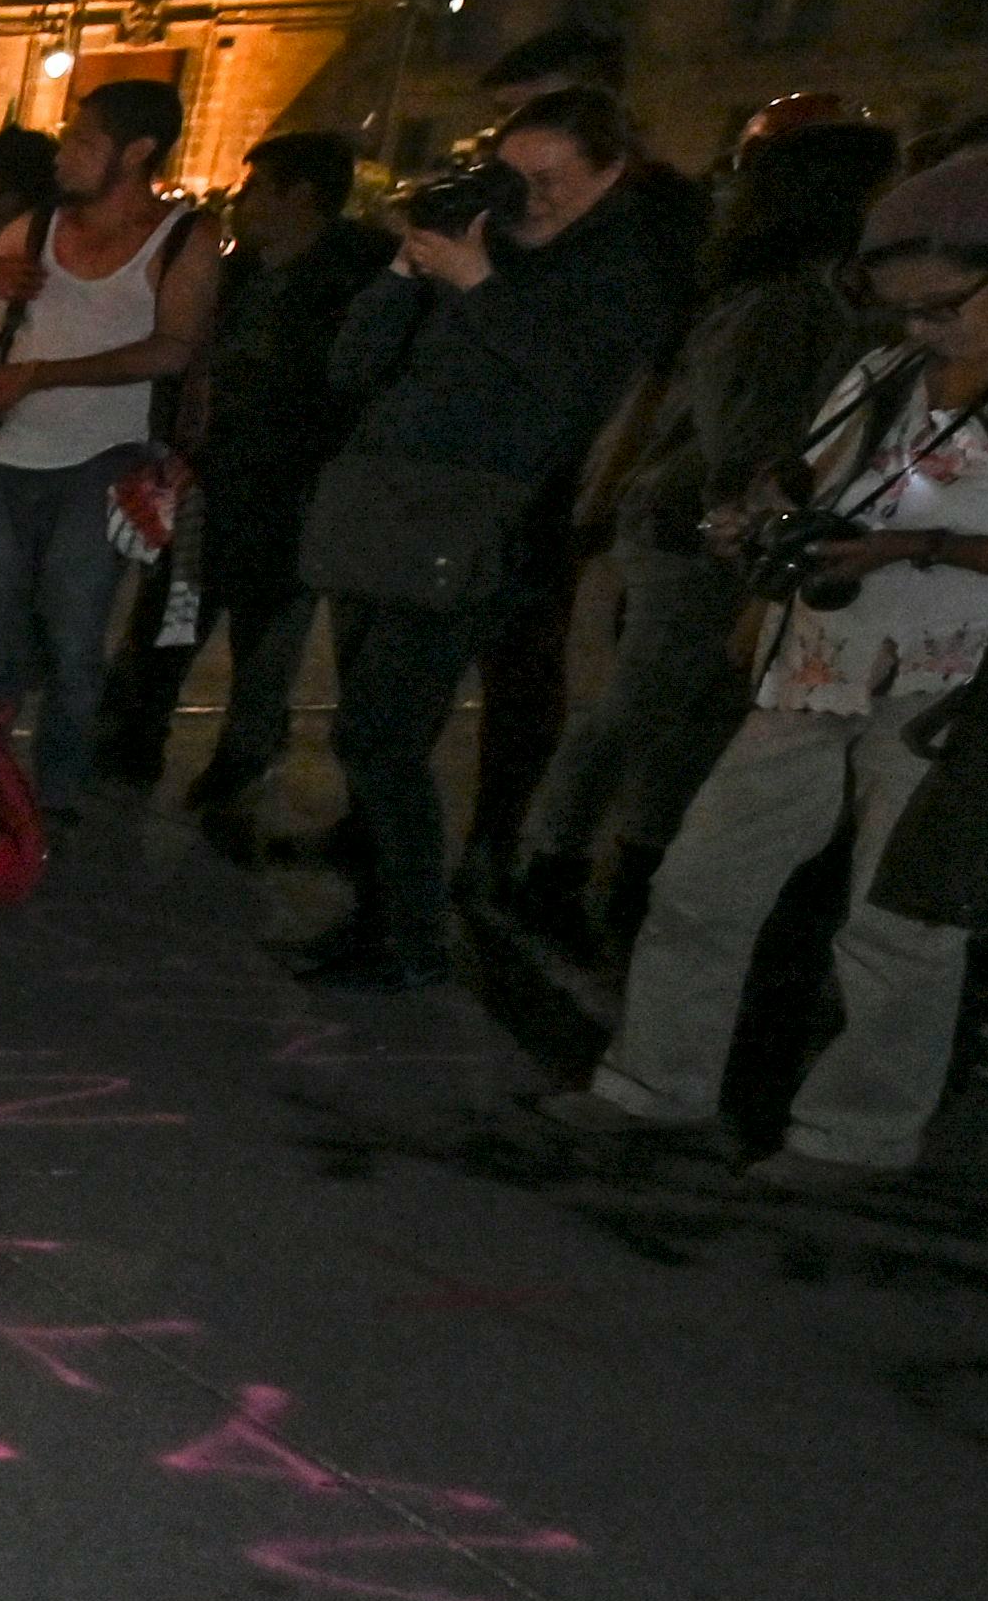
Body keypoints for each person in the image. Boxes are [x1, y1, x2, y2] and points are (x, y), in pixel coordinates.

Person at [542, 149, 988, 1182]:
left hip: (966, 686)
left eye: (940, 306)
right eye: (898, 308)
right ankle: (651, 1084)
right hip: (819, 662)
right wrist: (762, 526)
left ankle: (853, 1138)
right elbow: (817, 483)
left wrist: (923, 547)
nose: (916, 330)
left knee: (897, 928)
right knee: (698, 884)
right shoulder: (889, 366)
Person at [295, 87, 695, 990]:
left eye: (551, 177)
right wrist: (405, 269)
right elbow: (352, 367)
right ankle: (382, 920)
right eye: (512, 175)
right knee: (365, 729)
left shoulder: (615, 268)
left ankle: (409, 934)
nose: (531, 197)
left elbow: (567, 385)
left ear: (610, 172)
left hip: (485, 526)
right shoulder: (485, 239)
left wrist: (476, 285)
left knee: (381, 733)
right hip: (383, 509)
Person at [499, 109, 890, 943]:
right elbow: (739, 434)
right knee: (646, 703)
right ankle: (552, 864)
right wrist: (760, 516)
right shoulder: (780, 301)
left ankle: (621, 871)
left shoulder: (799, 291)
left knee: (692, 713)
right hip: (699, 530)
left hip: (717, 525)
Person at [0, 80, 215, 820]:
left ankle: (54, 795)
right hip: (6, 455)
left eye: (82, 141)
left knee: (73, 638)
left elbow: (172, 347)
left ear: (137, 151)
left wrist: (42, 374)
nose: (64, 155)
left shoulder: (181, 236)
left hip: (107, 457)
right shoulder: (35, 226)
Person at [153, 132, 390, 843]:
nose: (240, 201)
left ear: (299, 196)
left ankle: (244, 756)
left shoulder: (352, 282)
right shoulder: (244, 272)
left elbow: (344, 387)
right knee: (175, 616)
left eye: (256, 187)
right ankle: (142, 734)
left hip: (291, 488)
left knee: (267, 638)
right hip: (214, 475)